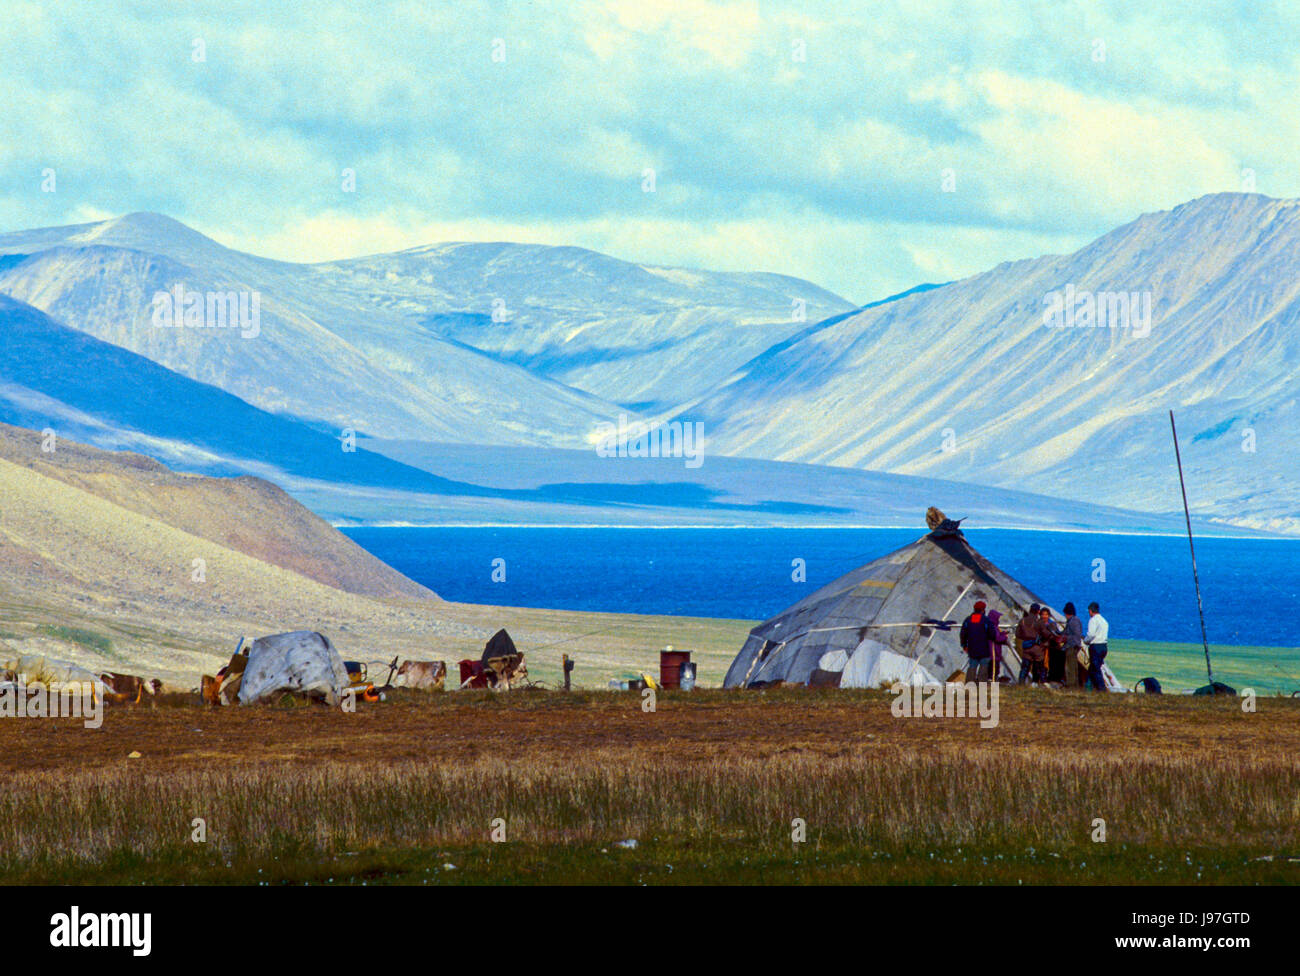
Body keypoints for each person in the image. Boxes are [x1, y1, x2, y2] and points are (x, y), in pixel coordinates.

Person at [960, 600, 996, 682]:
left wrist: (964, 645)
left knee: (972, 666)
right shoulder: (986, 620)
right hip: (984, 649)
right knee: (984, 667)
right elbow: (992, 634)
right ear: (983, 610)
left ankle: (969, 684)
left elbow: (963, 633)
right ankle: (981, 685)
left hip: (972, 648)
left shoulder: (968, 620)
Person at [1016, 604, 1047, 684]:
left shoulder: (1022, 620)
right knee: (1037, 667)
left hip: (1026, 647)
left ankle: (1021, 684)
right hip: (1036, 647)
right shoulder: (1039, 622)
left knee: (1024, 668)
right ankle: (1034, 684)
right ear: (1038, 611)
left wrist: (1026, 638)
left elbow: (1017, 634)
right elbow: (1045, 633)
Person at [1083, 601, 1110, 691]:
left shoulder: (1093, 620)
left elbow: (1091, 634)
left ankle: (1101, 689)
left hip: (1096, 646)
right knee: (1093, 668)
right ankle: (1088, 687)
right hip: (1104, 646)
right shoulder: (1104, 621)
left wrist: (1085, 641)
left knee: (1096, 669)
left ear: (1090, 611)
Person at [1060, 602, 1086, 687]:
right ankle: (1075, 685)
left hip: (1072, 646)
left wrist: (1065, 638)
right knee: (1073, 666)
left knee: (1070, 667)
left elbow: (1076, 635)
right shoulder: (1074, 620)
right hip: (1074, 646)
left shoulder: (1073, 621)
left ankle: (1071, 685)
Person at [1038, 606, 1065, 683]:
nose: (1044, 616)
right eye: (1043, 614)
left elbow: (1056, 634)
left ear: (1049, 615)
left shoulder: (1052, 624)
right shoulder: (1038, 624)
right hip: (1041, 647)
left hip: (1051, 647)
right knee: (1041, 663)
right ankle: (1042, 678)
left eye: (1046, 614)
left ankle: (1048, 678)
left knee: (1048, 663)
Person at [987, 608, 1010, 682]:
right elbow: (997, 638)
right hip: (993, 652)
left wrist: (1003, 633)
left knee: (992, 668)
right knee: (993, 669)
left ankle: (991, 680)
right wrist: (1004, 637)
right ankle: (991, 682)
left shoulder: (991, 626)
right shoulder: (993, 627)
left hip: (991, 651)